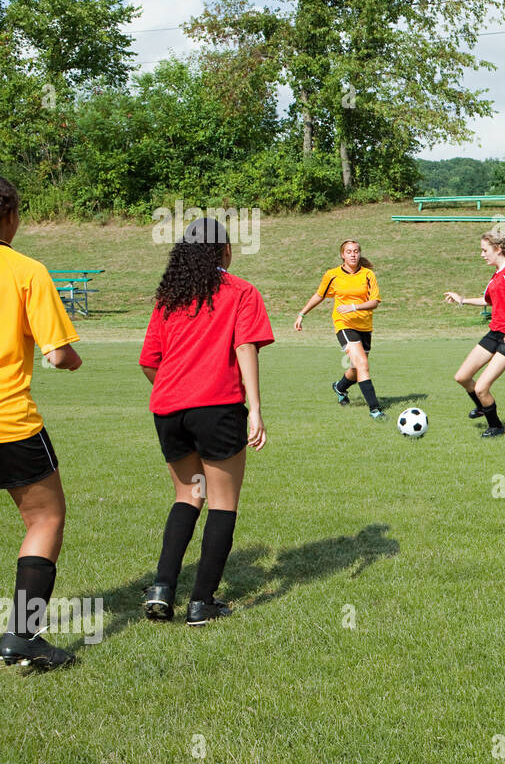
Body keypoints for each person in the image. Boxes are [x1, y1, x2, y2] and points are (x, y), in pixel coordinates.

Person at [140, 218, 273, 627]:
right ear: (226, 252)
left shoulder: (170, 297)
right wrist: (255, 407)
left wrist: (177, 391)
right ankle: (202, 602)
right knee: (222, 502)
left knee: (187, 496)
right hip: (217, 408)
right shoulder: (240, 291)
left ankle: (162, 588)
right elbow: (245, 345)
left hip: (168, 410)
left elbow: (149, 363)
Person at [0, 176, 83, 669]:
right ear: (10, 216)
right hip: (11, 421)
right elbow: (58, 355)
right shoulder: (26, 271)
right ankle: (22, 637)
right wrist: (74, 360)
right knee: (45, 517)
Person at [443, 230, 505, 438]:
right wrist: (461, 299)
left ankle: (496, 427)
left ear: (498, 249)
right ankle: (483, 407)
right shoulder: (495, 276)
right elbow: (487, 301)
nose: (482, 254)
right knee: (462, 377)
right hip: (495, 333)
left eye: (485, 250)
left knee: (482, 387)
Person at [295, 239, 385, 419]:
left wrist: (354, 307)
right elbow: (319, 295)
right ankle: (375, 410)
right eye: (349, 251)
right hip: (344, 324)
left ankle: (340, 387)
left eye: (356, 251)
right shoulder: (333, 275)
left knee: (355, 368)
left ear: (360, 253)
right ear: (342, 255)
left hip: (365, 326)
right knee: (363, 365)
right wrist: (302, 314)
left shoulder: (368, 275)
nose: (353, 254)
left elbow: (375, 302)